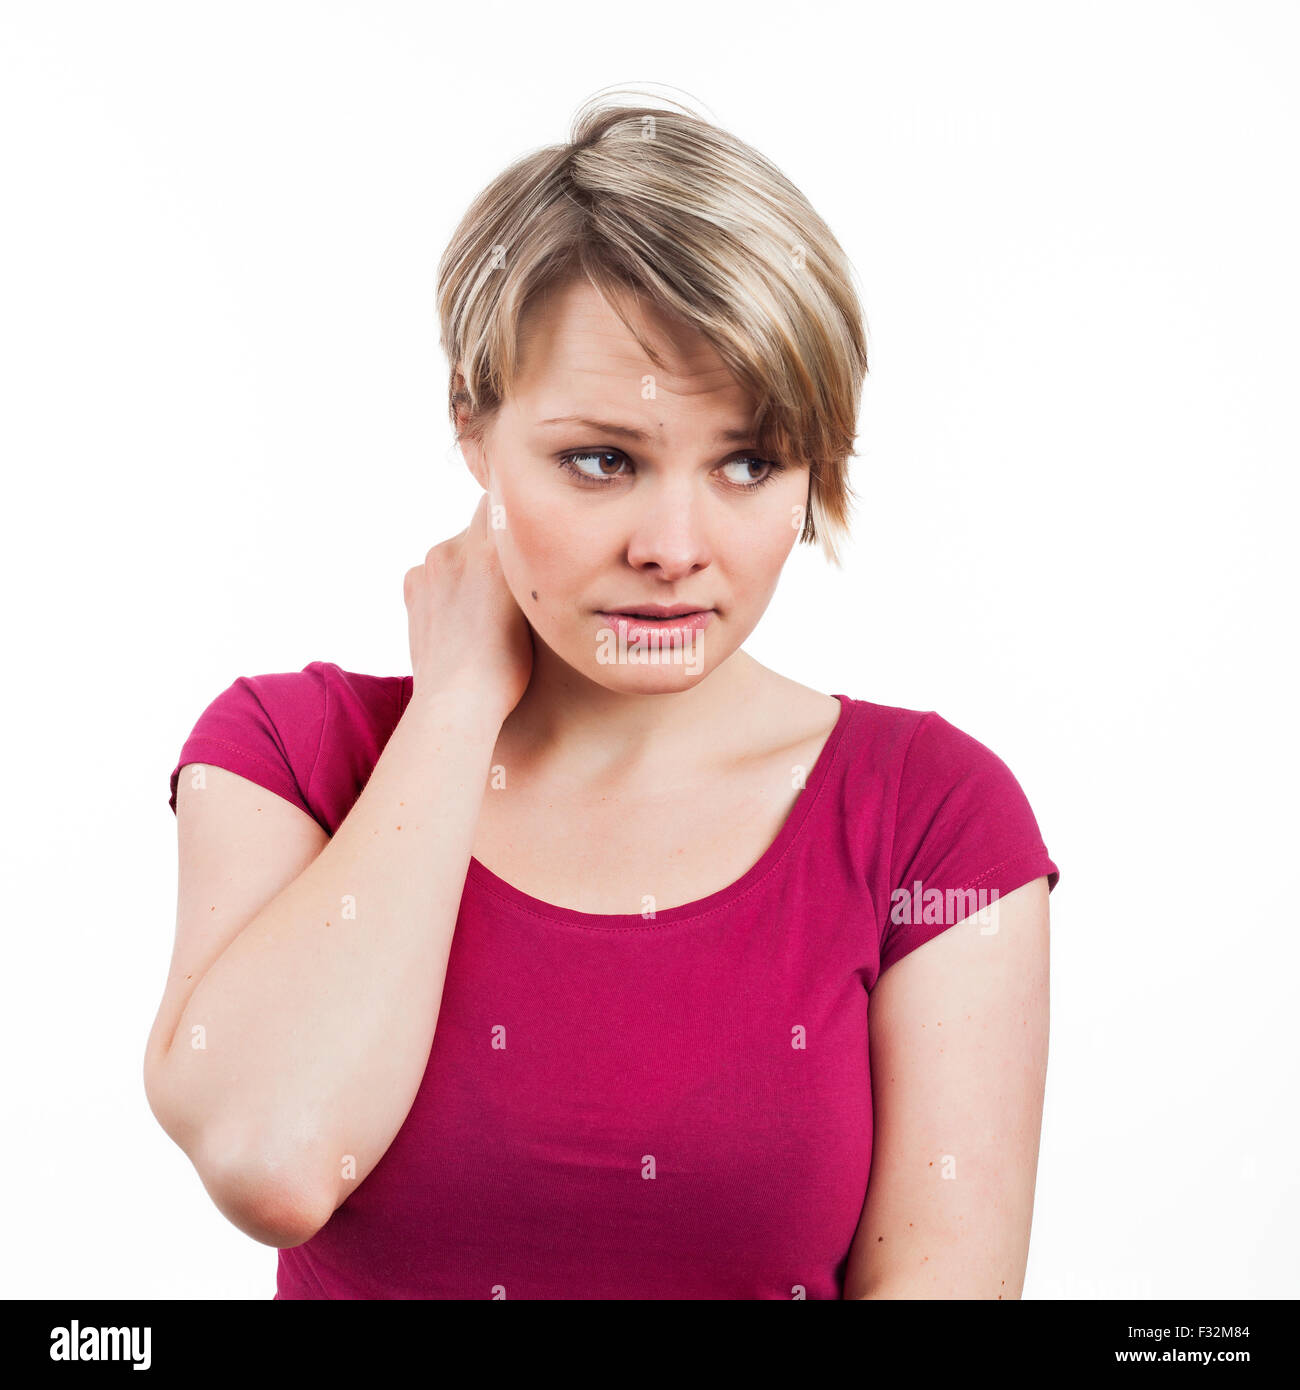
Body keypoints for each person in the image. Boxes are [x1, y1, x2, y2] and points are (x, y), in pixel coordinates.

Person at [145, 95, 1060, 1300]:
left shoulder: (932, 819)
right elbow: (272, 1157)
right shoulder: (289, 755)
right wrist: (458, 698)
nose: (675, 545)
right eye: (603, 460)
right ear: (473, 427)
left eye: (747, 461)